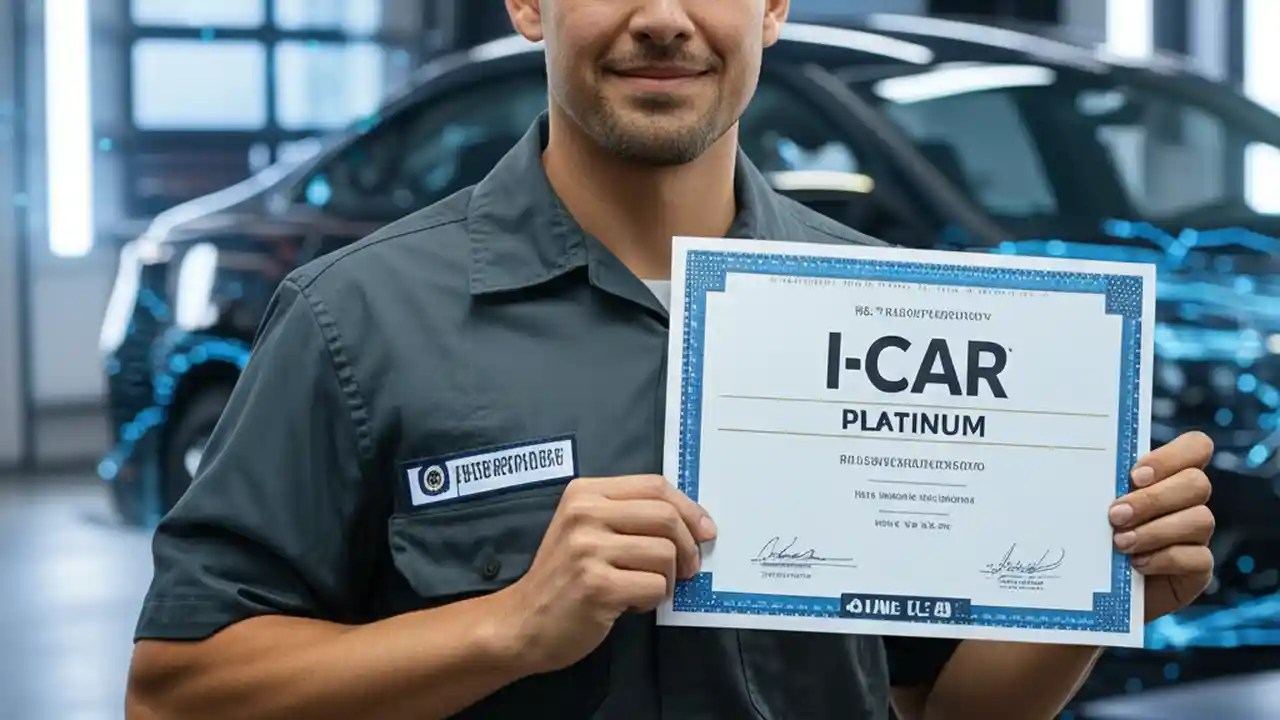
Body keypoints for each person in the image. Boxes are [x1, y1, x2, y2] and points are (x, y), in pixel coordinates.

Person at [125, 1, 1218, 718]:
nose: (662, 19)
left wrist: (1093, 596)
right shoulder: (353, 319)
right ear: (526, 5)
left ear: (773, 8)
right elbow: (176, 691)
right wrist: (506, 628)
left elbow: (926, 707)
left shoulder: (894, 308)